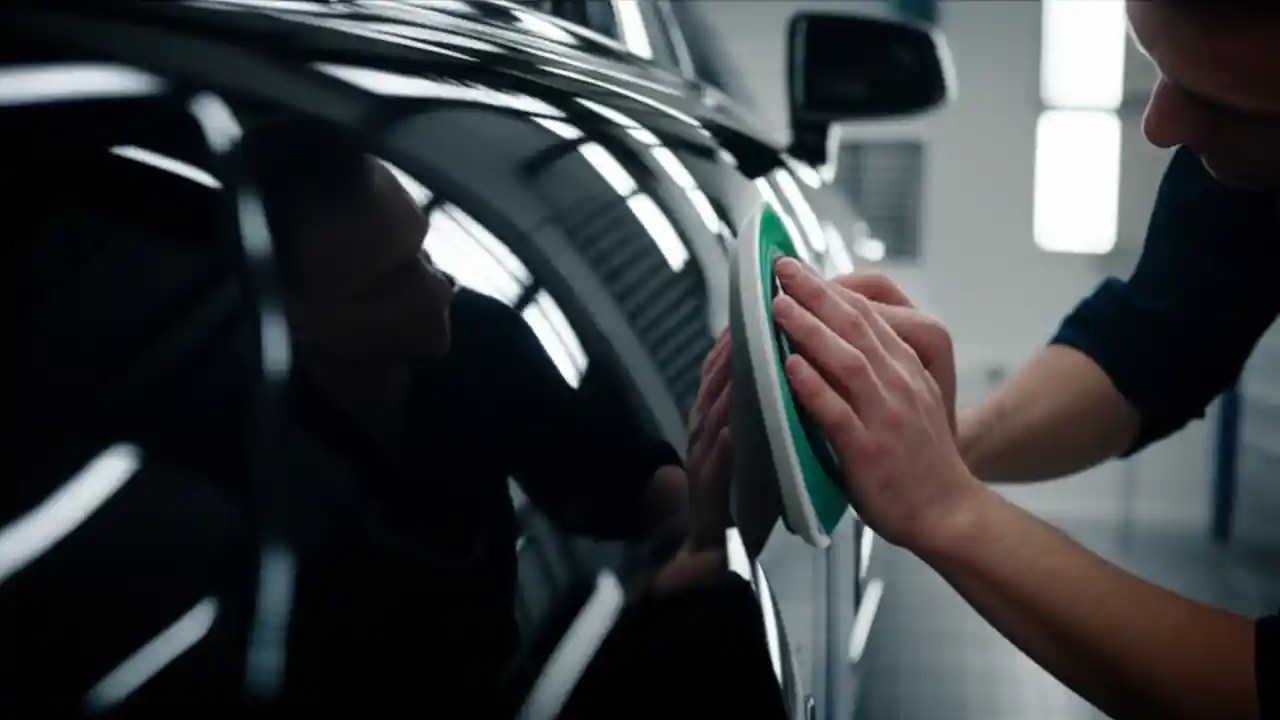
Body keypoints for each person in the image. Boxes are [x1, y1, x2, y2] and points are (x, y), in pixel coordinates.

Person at [689, 2, 1278, 718]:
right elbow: (1151, 345)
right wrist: (937, 447)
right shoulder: (1244, 162)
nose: (1160, 126)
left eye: (1228, 103)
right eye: (1157, 67)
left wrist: (948, 510)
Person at [239, 119, 706, 708]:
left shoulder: (480, 338)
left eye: (424, 250)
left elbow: (593, 465)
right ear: (292, 319)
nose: (437, 290)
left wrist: (683, 510)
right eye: (388, 285)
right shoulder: (252, 454)